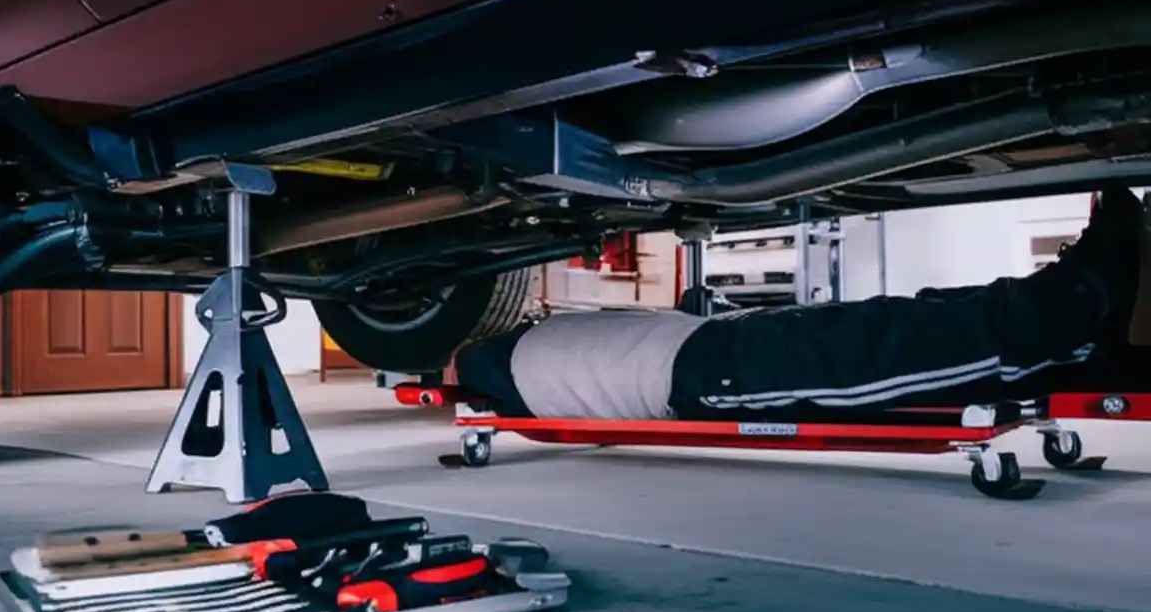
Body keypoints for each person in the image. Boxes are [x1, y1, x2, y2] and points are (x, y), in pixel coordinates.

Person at [455, 187, 1151, 421]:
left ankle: (1068, 320)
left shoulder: (514, 357)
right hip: (696, 378)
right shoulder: (499, 371)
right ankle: (1068, 318)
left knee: (888, 324)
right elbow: (465, 366)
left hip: (705, 350)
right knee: (873, 349)